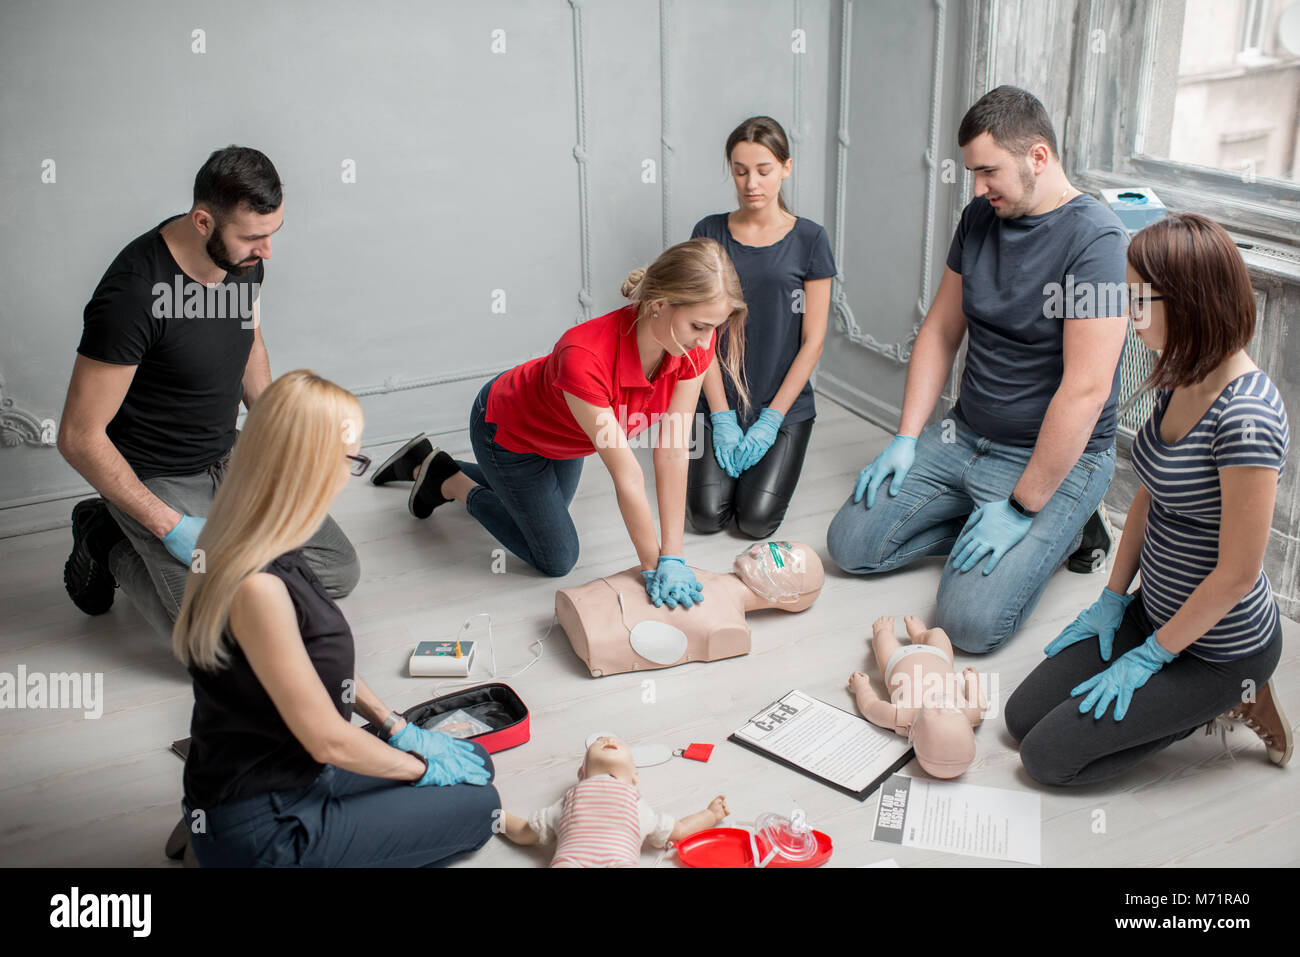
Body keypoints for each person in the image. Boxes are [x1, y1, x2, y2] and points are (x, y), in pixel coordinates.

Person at [825, 85, 1129, 654]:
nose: (977, 187)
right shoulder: (980, 217)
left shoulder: (1097, 240)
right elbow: (941, 331)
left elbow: (1086, 391)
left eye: (988, 172)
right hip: (962, 436)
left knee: (967, 625)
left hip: (1049, 458)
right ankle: (998, 524)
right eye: (972, 173)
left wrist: (1020, 508)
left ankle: (1063, 525)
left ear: (1038, 157)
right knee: (850, 546)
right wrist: (906, 438)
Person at [1005, 214, 1291, 783]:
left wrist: (1153, 658)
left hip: (1220, 650)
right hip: (1152, 613)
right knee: (1020, 719)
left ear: (1187, 301)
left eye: (1138, 298)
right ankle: (1170, 675)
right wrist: (1113, 597)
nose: (1127, 312)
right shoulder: (1181, 372)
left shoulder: (1248, 417)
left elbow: (1238, 574)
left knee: (1047, 760)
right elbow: (1148, 496)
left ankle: (1236, 696)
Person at [176, 370, 498, 866]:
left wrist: (396, 727)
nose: (348, 477)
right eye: (351, 461)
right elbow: (326, 737)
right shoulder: (258, 587)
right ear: (310, 463)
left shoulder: (265, 539)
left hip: (292, 773)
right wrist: (417, 769)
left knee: (476, 762)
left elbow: (317, 665)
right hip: (269, 826)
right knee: (482, 806)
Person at [58, 146, 360, 639]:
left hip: (228, 455)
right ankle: (106, 537)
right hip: (160, 474)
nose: (266, 251)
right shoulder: (132, 295)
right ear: (202, 221)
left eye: (271, 234)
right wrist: (170, 527)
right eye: (253, 237)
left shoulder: (243, 262)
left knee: (337, 569)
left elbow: (249, 341)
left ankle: (224, 555)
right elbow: (78, 436)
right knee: (210, 635)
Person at [372, 238, 749, 609]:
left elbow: (672, 451)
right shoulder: (584, 356)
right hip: (506, 431)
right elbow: (628, 475)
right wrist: (652, 566)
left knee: (540, 509)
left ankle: (435, 464)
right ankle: (448, 480)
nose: (704, 342)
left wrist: (674, 557)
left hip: (568, 440)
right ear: (660, 303)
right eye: (698, 326)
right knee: (557, 555)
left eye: (711, 328)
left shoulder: (693, 347)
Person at [686, 116, 836, 538]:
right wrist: (721, 415)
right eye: (740, 171)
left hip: (782, 406)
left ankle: (772, 435)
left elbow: (814, 341)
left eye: (764, 170)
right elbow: (701, 335)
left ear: (786, 167)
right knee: (705, 517)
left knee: (754, 522)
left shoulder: (810, 239)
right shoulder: (708, 232)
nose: (751, 182)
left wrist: (771, 419)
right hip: (719, 400)